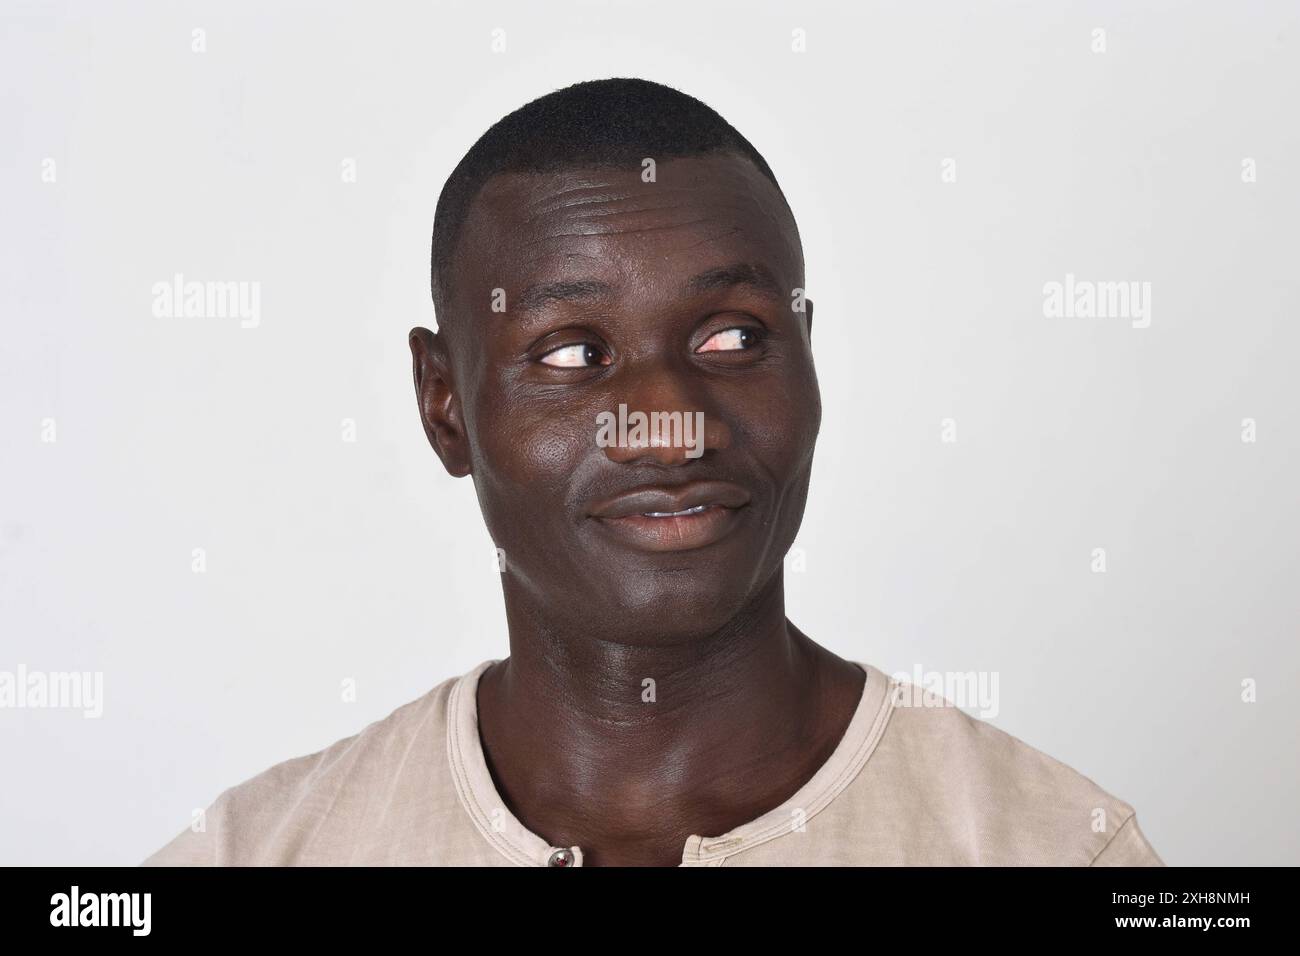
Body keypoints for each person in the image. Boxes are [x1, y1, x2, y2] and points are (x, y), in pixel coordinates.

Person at [142, 77, 1163, 867]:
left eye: (731, 337)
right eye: (574, 353)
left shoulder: (1050, 847)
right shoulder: (257, 852)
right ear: (443, 402)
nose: (671, 425)